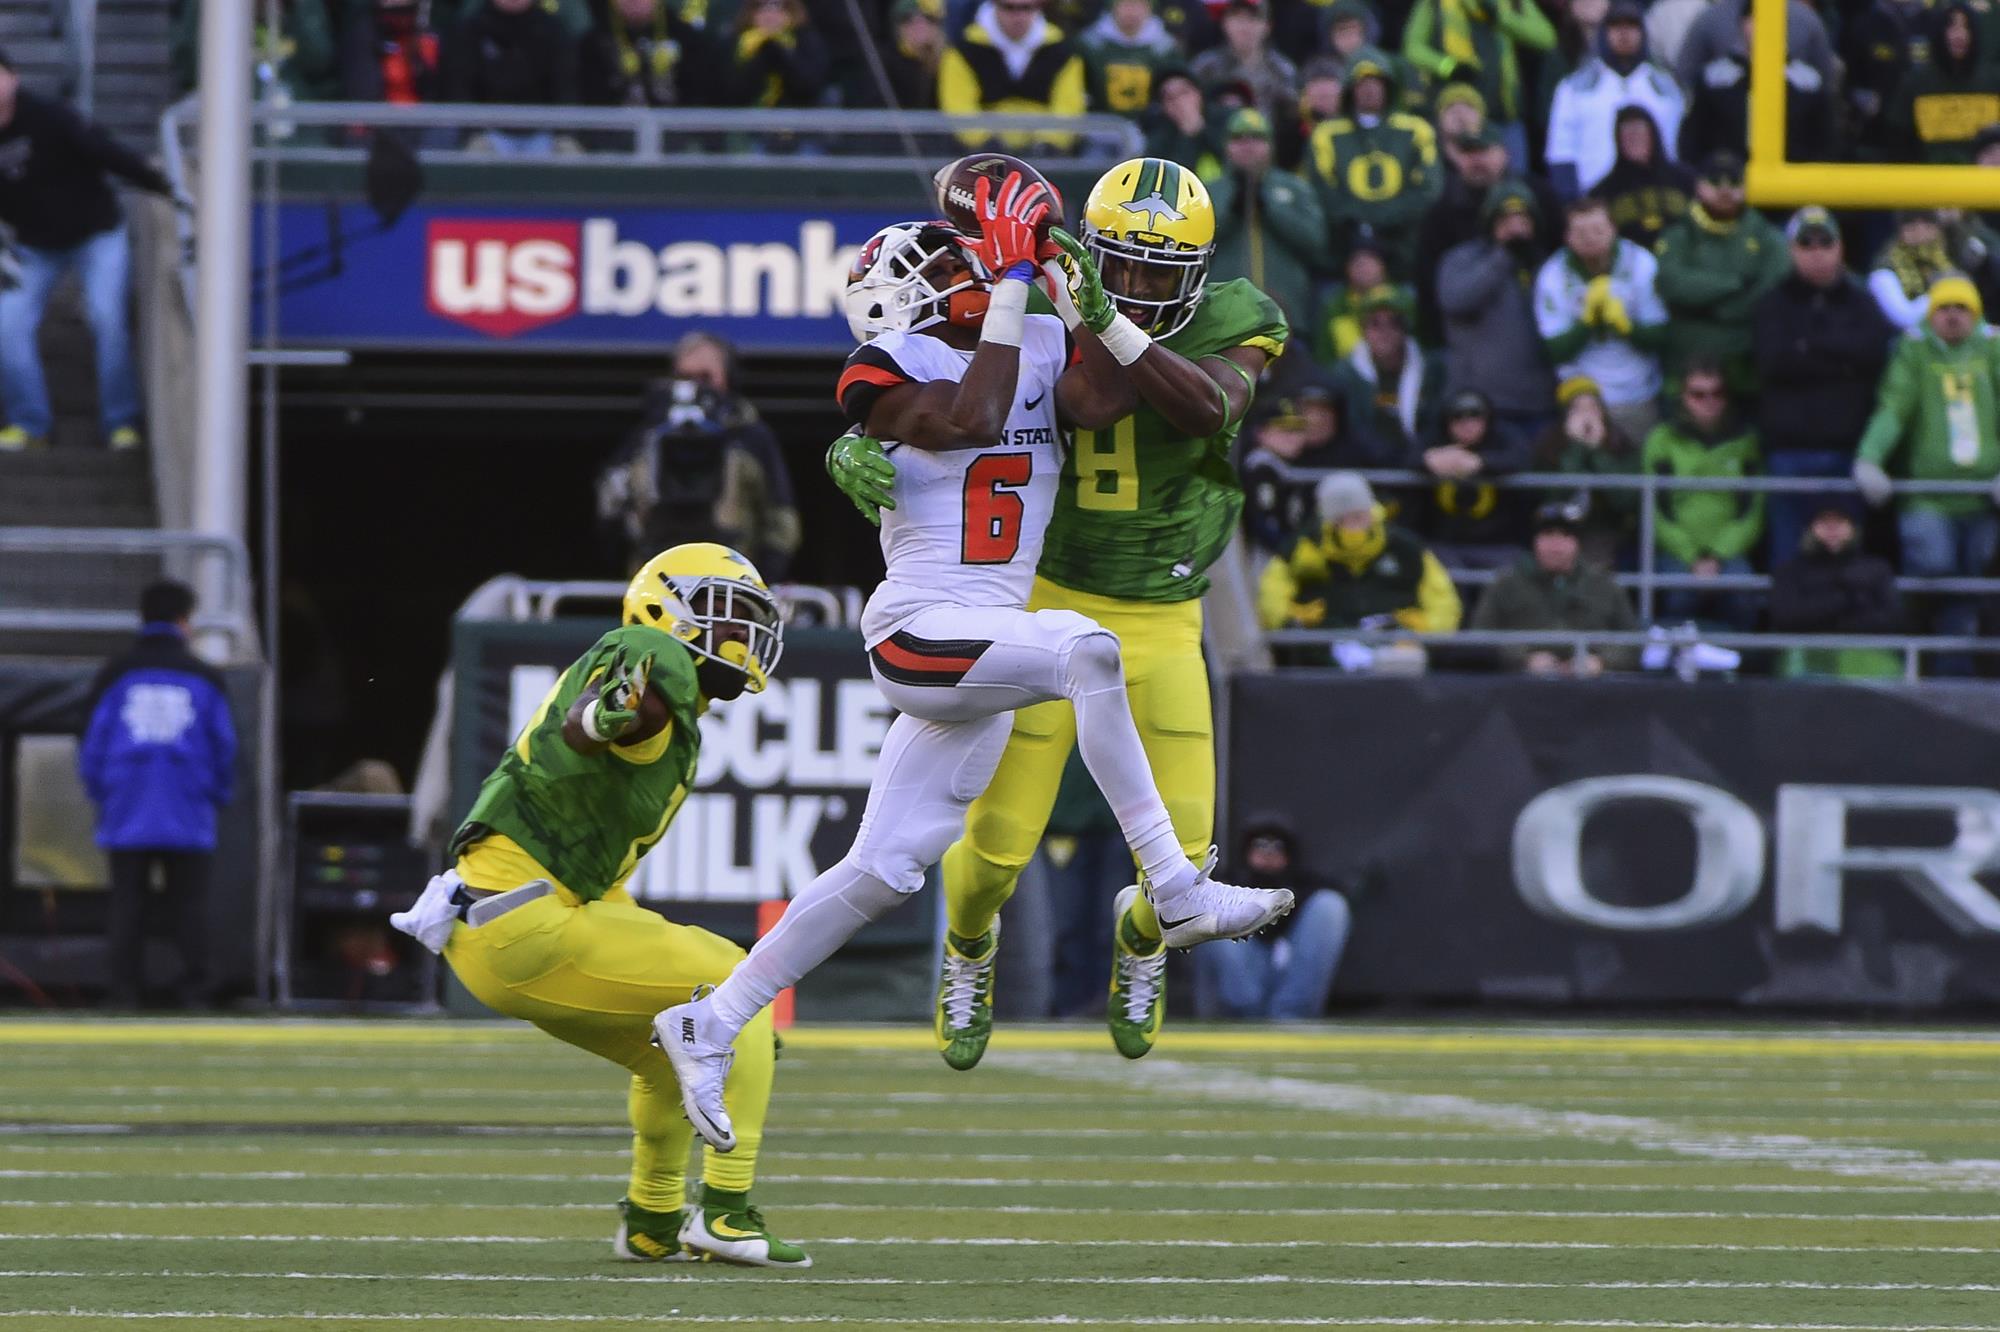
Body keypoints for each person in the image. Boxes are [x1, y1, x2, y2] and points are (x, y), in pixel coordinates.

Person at [658, 194, 1294, 1147]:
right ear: (905, 294)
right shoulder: (888, 365)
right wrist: (1007, 286)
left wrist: (1076, 285)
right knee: (1089, 652)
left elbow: (1101, 397)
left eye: (973, 264)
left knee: (884, 871)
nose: (973, 274)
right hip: (920, 631)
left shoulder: (1032, 339)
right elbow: (972, 414)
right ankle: (1174, 886)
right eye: (951, 269)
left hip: (986, 644)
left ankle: (709, 1022)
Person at [825, 160, 1288, 1071]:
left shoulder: (1239, 315)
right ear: (1095, 248)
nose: (1140, 286)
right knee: (995, 853)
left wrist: (1100, 313)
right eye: (1122, 267)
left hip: (1165, 609)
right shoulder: (1051, 299)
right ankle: (967, 948)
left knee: (1185, 855)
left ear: (1197, 270)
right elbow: (967, 387)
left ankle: (1143, 939)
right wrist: (856, 435)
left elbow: (1202, 410)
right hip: (1046, 595)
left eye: (1160, 273)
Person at [387, 543, 807, 1267]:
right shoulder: (647, 652)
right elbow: (602, 714)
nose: (741, 635)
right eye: (726, 615)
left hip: (509, 919)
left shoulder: (678, 722)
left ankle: (652, 1218)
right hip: (521, 921)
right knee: (747, 991)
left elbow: (598, 873)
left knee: (668, 1053)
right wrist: (603, 716)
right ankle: (729, 1212)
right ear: (666, 610)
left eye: (748, 620)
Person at [0, 49, 178, 452]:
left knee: (106, 317)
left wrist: (159, 184)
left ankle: (121, 423)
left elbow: (102, 149)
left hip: (96, 235)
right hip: (34, 246)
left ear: (13, 78)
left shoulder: (49, 116)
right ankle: (31, 424)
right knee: (7, 324)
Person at [78, 581, 237, 1008]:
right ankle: (194, 991)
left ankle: (124, 992)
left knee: (127, 904)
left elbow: (93, 744)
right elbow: (224, 745)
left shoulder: (117, 673)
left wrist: (102, 794)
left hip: (126, 805)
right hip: (188, 805)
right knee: (189, 904)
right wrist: (217, 794)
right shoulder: (204, 677)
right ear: (184, 622)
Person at [1853, 275, 2000, 658]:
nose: (1952, 317)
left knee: (1975, 584)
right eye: (1944, 309)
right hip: (1927, 498)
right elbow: (1894, 409)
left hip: (1983, 498)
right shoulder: (1914, 351)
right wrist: (1870, 457)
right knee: (1934, 572)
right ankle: (1919, 654)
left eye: (1961, 309)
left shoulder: (1993, 348)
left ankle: (1955, 667)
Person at [1751, 205, 1897, 566]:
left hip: (1846, 451)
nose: (1817, 254)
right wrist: (1840, 359)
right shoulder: (1772, 304)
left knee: (1847, 559)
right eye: (1807, 245)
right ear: (1792, 250)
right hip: (1788, 451)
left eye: (1825, 243)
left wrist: (1807, 348)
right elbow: (1772, 363)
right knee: (1787, 558)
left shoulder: (1863, 303)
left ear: (1840, 248)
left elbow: (1871, 355)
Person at [595, 377, 802, 580]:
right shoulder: (644, 436)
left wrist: (760, 581)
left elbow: (782, 522)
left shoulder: (750, 437)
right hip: (652, 578)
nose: (696, 384)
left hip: (731, 579)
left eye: (705, 377)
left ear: (726, 377)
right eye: (686, 375)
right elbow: (610, 509)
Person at [1258, 470, 1461, 641]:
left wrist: (1425, 626)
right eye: (1343, 519)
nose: (1354, 524)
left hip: (1394, 640)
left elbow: (1442, 597)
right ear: (1329, 519)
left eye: (1359, 515)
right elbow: (1273, 591)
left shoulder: (1404, 547)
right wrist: (1292, 617)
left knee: (1403, 658)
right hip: (1323, 640)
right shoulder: (1304, 547)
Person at [1650, 149, 1789, 391]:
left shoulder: (1766, 235)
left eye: (1734, 182)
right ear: (1699, 186)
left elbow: (1771, 291)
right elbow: (1671, 283)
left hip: (1746, 369)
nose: (1725, 190)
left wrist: (1708, 306)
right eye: (1715, 181)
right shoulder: (1679, 233)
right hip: (1685, 371)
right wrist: (1735, 284)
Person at [1534, 195, 1667, 442]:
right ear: (1567, 237)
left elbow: (1660, 336)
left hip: (1637, 392)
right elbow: (1552, 350)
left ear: (1613, 229)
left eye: (1598, 229)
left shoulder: (1641, 263)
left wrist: (1626, 326)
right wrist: (1587, 322)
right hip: (1582, 396)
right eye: (1581, 232)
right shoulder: (1553, 275)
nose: (1590, 238)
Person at [1641, 362, 1765, 628]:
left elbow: (1752, 509)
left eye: (1717, 393)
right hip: (1677, 552)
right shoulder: (1662, 440)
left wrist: (1717, 555)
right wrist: (1693, 556)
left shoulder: (1746, 441)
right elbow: (1656, 509)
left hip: (1730, 552)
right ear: (1683, 398)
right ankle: (1672, 666)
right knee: (1679, 597)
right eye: (1698, 394)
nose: (1709, 402)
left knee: (1744, 594)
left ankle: (1742, 667)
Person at [1413, 122, 1559, 343]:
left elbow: (1559, 252)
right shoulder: (1441, 212)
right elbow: (1428, 281)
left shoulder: (1540, 194)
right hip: (1472, 332)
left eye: (1484, 151)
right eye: (1468, 153)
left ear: (1505, 153)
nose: (1476, 160)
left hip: (1539, 323)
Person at [1302, 45, 1438, 278]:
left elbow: (1428, 188)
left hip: (1402, 247)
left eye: (1377, 82)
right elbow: (1322, 188)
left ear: (1389, 86)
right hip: (1343, 249)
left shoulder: (1416, 130)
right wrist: (1356, 223)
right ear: (1349, 89)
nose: (1370, 90)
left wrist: (1384, 218)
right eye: (1362, 83)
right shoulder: (1327, 134)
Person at [1436, 178, 1557, 437]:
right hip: (1482, 407)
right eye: (1506, 220)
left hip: (1540, 403)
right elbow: (1455, 300)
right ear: (1490, 221)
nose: (1516, 228)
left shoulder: (1546, 267)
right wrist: (1503, 256)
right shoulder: (1461, 259)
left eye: (1524, 219)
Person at [1193, 824, 1351, 1020]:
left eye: (1277, 847)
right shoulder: (1227, 881)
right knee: (1209, 906)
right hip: (1241, 986)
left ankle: (1291, 1016)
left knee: (1330, 904)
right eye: (1260, 846)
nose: (1268, 854)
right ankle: (1241, 1018)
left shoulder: (1306, 886)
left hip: (1290, 971)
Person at [1471, 498, 1641, 672]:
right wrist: (1522, 659)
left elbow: (1633, 643)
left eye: (1565, 535)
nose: (1556, 546)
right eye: (1548, 535)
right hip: (1520, 686)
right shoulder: (1505, 583)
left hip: (1591, 687)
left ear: (1577, 542)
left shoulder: (1605, 585)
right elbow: (1480, 639)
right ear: (1534, 541)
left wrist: (1600, 662)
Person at [1543, 0, 1684, 200]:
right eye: (1616, 26)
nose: (1624, 33)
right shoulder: (1574, 87)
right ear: (1604, 31)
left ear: (1643, 32)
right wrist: (1570, 201)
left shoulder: (1664, 87)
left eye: (1632, 26)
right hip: (1594, 200)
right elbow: (1561, 151)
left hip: (1657, 199)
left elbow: (1676, 150)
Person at [1207, 107, 1331, 323]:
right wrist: (1230, 213)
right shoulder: (1208, 191)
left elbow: (1316, 243)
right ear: (1226, 146)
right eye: (1238, 138)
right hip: (1223, 319)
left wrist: (1270, 209)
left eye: (1257, 138)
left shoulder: (1295, 188)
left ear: (1271, 145)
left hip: (1287, 316)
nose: (1248, 146)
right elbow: (1194, 247)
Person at [1400, 0, 1554, 166]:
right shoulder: (1433, 3)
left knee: (1514, 183)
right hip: (1459, 118)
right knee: (1460, 183)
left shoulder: (1511, 3)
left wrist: (1499, 16)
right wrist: (1449, 67)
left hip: (1504, 113)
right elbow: (1412, 47)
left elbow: (1546, 39)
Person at [1769, 496, 1907, 679]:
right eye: (1824, 522)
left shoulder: (1875, 569)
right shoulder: (1791, 571)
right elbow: (1785, 616)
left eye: (1840, 521)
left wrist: (1829, 618)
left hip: (1867, 658)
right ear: (1810, 527)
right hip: (1807, 658)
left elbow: (1893, 619)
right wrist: (1845, 601)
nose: (1832, 529)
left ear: (1853, 527)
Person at [1680, 11, 1836, 164]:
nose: (1761, 27)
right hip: (1728, 180)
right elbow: (1695, 139)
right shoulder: (1713, 79)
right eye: (1754, 19)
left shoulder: (1808, 83)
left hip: (1794, 181)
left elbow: (1825, 141)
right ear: (1742, 23)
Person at [938, 0, 1088, 152]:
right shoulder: (964, 50)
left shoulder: (1062, 51)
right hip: (981, 156)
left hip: (1046, 156)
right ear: (994, 5)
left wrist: (1048, 143)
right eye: (1009, 8)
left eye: (1027, 8)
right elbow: (958, 106)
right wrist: (983, 142)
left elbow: (1069, 107)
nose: (1019, 16)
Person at [1414, 387, 1534, 569]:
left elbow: (1523, 458)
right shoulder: (1435, 439)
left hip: (1499, 543)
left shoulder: (1503, 437)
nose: (1467, 424)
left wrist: (1481, 462)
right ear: (1446, 422)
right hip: (1444, 543)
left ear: (1487, 419)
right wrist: (1426, 460)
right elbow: (1398, 458)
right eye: (1458, 418)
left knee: (1511, 572)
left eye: (1475, 416)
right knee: (1439, 569)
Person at [438, 0, 581, 152]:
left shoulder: (554, 30)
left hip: (544, 133)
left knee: (568, 150)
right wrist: (471, 134)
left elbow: (566, 89)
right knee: (473, 150)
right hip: (487, 133)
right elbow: (460, 89)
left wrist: (564, 134)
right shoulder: (468, 30)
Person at [1532, 375, 1639, 568]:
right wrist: (1576, 449)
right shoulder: (1547, 447)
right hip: (1559, 530)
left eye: (1592, 407)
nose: (1586, 416)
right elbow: (1557, 495)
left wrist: (1597, 451)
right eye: (1578, 409)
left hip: (1609, 532)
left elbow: (1624, 499)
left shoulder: (1621, 444)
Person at [1336, 285, 1443, 458]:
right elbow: (1351, 428)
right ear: (1363, 330)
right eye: (1375, 323)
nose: (1384, 332)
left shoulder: (1430, 370)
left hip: (1422, 461)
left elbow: (1435, 422)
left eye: (1394, 323)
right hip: (1364, 463)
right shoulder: (1347, 373)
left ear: (1405, 329)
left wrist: (1417, 457)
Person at [1888, 4, 2000, 164]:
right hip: (1929, 183)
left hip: (1981, 184)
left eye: (1966, 28)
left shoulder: (1993, 80)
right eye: (1952, 27)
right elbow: (1897, 140)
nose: (1959, 35)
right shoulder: (1916, 82)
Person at [1589, 105, 1693, 250]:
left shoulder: (1686, 179)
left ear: (1653, 136)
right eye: (1627, 136)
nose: (1634, 140)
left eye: (1639, 133)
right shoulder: (1602, 192)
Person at [579, 0, 716, 106]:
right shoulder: (593, 42)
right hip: (613, 134)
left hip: (676, 132)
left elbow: (700, 98)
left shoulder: (687, 39)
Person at [1188, 0, 1299, 125]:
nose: (1244, 26)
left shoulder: (1282, 70)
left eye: (1252, 18)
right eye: (1236, 17)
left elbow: (1291, 118)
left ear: (1268, 26)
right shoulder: (1205, 67)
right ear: (1224, 23)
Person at [1080, 0, 1184, 116]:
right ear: (1112, 7)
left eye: (1139, 5)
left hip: (1150, 129)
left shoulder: (1165, 49)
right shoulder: (1088, 46)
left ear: (1150, 9)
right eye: (1126, 4)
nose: (1132, 11)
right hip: (1098, 126)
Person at [726, 0, 830, 109]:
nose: (770, 14)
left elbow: (809, 87)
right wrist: (762, 51)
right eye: (761, 7)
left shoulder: (806, 40)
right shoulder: (735, 42)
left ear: (791, 11)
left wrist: (779, 53)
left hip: (795, 118)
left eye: (778, 6)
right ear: (750, 12)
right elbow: (732, 94)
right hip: (744, 119)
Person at [1869, 210, 1959, 331]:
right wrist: (1943, 290)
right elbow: (1904, 318)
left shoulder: (1948, 260)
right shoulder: (1884, 270)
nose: (1920, 233)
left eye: (1928, 225)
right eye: (1911, 227)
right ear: (1900, 231)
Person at [1143, 68, 1225, 174]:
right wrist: (1187, 137)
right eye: (1170, 98)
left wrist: (1201, 130)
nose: (1179, 102)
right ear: (1164, 107)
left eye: (1184, 93)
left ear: (1198, 94)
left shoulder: (1225, 119)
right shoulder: (1159, 140)